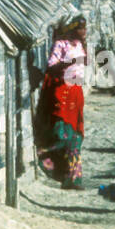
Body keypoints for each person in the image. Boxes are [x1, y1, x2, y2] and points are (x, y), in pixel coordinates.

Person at [35, 17, 87, 189]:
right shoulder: (61, 45)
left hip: (75, 93)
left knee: (75, 137)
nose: (84, 32)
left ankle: (73, 178)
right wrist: (69, 63)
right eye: (81, 29)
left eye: (85, 29)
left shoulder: (80, 45)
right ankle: (46, 157)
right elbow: (51, 67)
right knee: (63, 134)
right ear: (72, 29)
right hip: (62, 91)